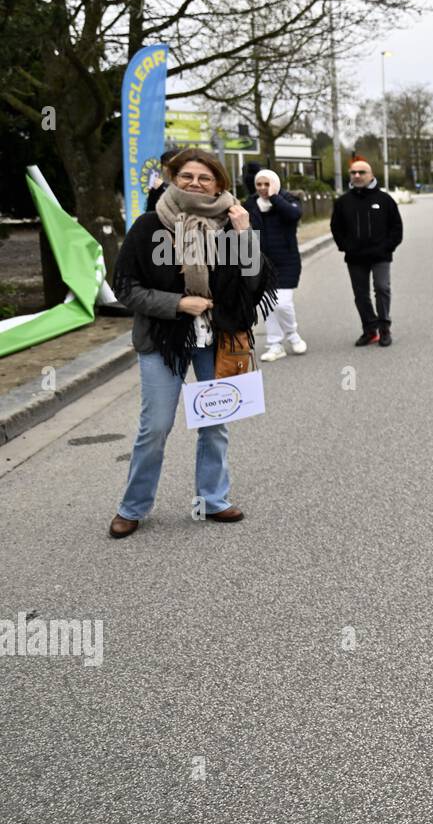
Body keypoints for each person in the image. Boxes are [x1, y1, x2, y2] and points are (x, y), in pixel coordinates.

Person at [107, 147, 276, 539]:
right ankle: (132, 507)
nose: (196, 184)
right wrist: (179, 303)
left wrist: (246, 234)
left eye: (205, 178)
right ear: (173, 179)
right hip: (163, 337)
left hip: (216, 337)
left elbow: (253, 285)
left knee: (216, 422)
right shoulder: (150, 225)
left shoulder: (233, 223)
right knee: (156, 425)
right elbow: (126, 288)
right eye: (187, 177)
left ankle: (212, 500)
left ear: (219, 183)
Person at [330, 158, 403, 347]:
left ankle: (384, 327)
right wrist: (346, 246)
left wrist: (386, 247)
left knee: (382, 288)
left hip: (381, 256)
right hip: (355, 257)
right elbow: (336, 228)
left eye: (361, 172)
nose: (357, 176)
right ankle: (370, 329)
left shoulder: (384, 200)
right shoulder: (343, 202)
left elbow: (396, 228)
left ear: (371, 175)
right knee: (361, 295)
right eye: (353, 173)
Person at [245, 168, 307, 361]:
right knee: (268, 305)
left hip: (287, 260)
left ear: (275, 183)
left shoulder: (288, 200)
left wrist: (274, 197)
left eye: (267, 184)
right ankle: (275, 344)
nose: (263, 188)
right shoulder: (250, 204)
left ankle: (292, 334)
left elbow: (293, 216)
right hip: (262, 262)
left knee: (282, 304)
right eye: (259, 184)